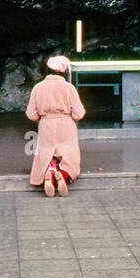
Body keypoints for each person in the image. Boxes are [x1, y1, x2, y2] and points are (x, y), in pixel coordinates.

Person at [25, 54, 85, 197]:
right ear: (64, 71)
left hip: (46, 124)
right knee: (70, 156)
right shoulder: (68, 88)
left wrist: (43, 116)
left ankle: (49, 174)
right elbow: (79, 113)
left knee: (47, 154)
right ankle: (63, 175)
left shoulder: (38, 88)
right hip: (66, 124)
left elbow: (31, 114)